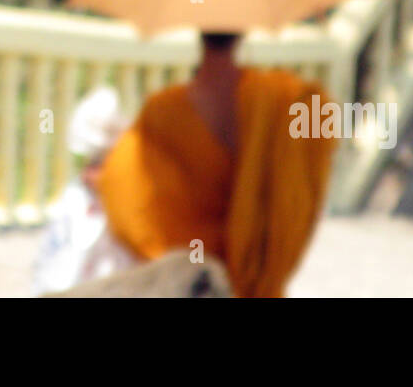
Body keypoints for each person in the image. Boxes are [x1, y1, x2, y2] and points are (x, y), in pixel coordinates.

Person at [95, 32, 336, 297]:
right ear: (243, 33)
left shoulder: (164, 111)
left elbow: (121, 188)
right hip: (256, 287)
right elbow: (317, 133)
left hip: (192, 284)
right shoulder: (279, 102)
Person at [32, 87, 138, 294]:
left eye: (100, 162)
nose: (89, 174)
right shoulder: (75, 199)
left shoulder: (129, 197)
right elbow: (52, 262)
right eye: (91, 162)